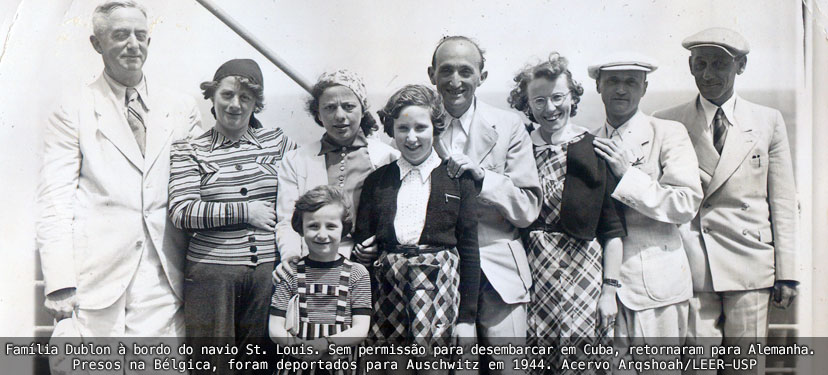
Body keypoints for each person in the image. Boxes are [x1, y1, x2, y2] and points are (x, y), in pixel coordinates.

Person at [36, 0, 201, 338]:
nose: (133, 44)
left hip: (164, 278)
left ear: (149, 42)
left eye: (141, 35)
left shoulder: (181, 107)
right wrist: (59, 283)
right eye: (120, 35)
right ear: (97, 44)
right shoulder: (73, 108)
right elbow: (54, 200)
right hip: (95, 280)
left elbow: (203, 181)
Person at [653, 27, 798, 375]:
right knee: (696, 368)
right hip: (691, 268)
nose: (708, 74)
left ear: (741, 66)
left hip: (751, 268)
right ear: (689, 67)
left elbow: (782, 203)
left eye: (719, 64)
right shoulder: (667, 122)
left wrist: (788, 274)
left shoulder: (768, 122)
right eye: (700, 64)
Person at [420, 35, 541, 373]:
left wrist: (484, 179)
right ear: (432, 74)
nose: (455, 82)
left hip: (500, 275)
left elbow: (528, 207)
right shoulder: (419, 127)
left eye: (465, 71)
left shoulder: (509, 125)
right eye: (446, 71)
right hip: (442, 275)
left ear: (482, 76)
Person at [168, 58, 295, 374]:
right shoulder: (190, 149)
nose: (235, 105)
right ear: (212, 97)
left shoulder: (278, 142)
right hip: (212, 278)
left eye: (246, 98)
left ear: (256, 103)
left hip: (269, 276)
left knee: (263, 366)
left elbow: (307, 187)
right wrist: (245, 211)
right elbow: (182, 211)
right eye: (227, 95)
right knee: (213, 367)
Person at [507, 53, 625, 373]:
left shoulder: (594, 148)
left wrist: (609, 292)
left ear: (572, 98)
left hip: (585, 277)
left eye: (558, 97)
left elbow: (613, 232)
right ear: (526, 103)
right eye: (539, 100)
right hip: (533, 277)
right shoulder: (519, 151)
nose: (550, 108)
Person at [352, 84, 480, 373]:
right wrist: (363, 252)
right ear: (391, 129)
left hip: (439, 290)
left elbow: (470, 250)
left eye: (420, 128)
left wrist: (467, 320)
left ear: (435, 128)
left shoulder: (457, 179)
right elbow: (363, 242)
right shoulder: (378, 181)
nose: (411, 138)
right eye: (402, 128)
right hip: (388, 291)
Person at [588, 54, 703, 373]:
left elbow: (685, 203)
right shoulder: (588, 141)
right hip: (601, 292)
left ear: (644, 88)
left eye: (631, 82)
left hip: (658, 291)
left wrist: (628, 175)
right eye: (612, 81)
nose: (621, 90)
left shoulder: (668, 133)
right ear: (598, 86)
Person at [275, 70, 399, 269]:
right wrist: (291, 256)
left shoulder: (387, 157)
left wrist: (379, 243)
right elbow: (287, 220)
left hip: (371, 267)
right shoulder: (296, 160)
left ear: (363, 108)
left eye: (349, 106)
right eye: (330, 107)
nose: (340, 116)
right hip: (312, 264)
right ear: (318, 113)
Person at [269, 185, 371, 375]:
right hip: (298, 363)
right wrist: (298, 348)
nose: (322, 234)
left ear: (344, 229)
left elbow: (361, 328)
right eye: (313, 226)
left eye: (331, 226)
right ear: (300, 228)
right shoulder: (290, 273)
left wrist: (327, 344)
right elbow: (275, 327)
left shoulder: (357, 273)